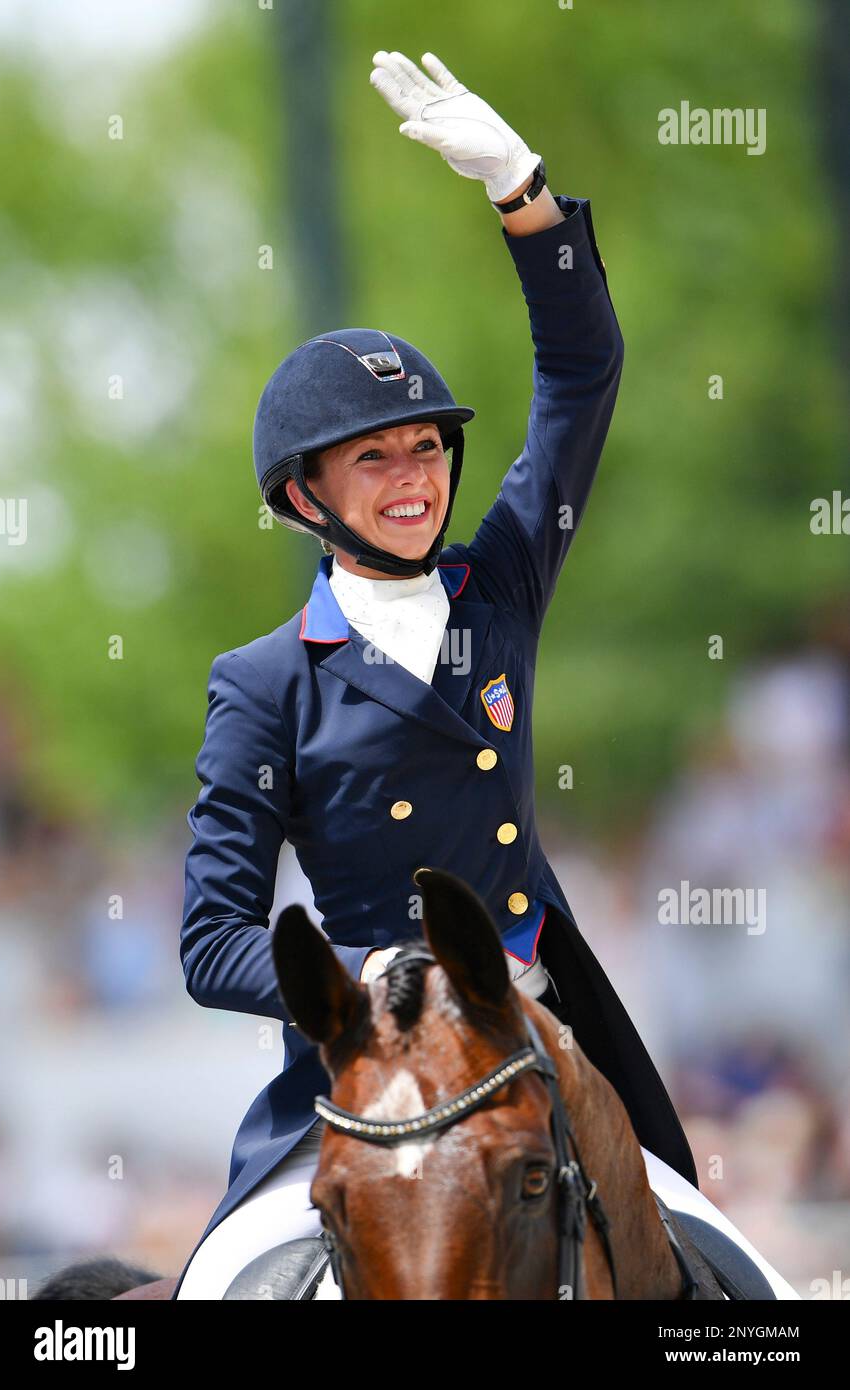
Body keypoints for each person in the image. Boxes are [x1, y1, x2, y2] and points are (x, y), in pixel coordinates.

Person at [174, 51, 796, 1300]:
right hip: (362, 1068)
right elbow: (208, 935)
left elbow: (579, 378)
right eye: (373, 461)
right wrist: (358, 977)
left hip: (531, 1038)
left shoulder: (496, 583)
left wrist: (525, 198)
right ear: (306, 496)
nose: (414, 477)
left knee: (748, 1291)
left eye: (426, 449)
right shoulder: (262, 682)